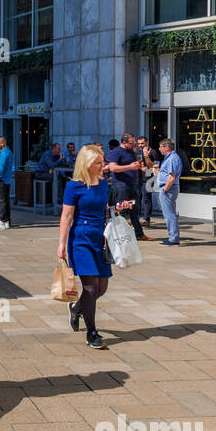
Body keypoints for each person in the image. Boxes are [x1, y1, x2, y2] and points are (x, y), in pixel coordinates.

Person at [58, 144, 136, 350]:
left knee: (101, 288)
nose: (104, 165)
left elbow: (106, 210)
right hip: (81, 238)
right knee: (90, 287)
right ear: (87, 164)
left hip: (100, 237)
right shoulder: (74, 186)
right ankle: (92, 332)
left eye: (103, 162)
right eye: (99, 162)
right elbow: (66, 216)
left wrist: (118, 207)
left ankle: (76, 309)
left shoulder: (103, 183)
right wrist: (61, 244)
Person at [105, 133, 150, 240]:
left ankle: (139, 234)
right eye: (131, 143)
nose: (134, 145)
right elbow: (113, 168)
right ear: (124, 142)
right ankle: (116, 236)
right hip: (121, 185)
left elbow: (134, 164)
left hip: (132, 185)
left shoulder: (131, 151)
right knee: (121, 211)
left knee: (135, 210)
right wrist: (130, 166)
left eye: (134, 142)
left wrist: (140, 167)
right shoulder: (116, 152)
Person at [156, 138, 183, 245]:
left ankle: (173, 238)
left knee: (169, 214)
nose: (159, 149)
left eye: (160, 147)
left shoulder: (172, 158)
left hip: (168, 188)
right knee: (169, 213)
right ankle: (173, 237)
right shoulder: (170, 158)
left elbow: (171, 177)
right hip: (169, 187)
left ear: (166, 148)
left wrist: (165, 190)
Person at [0, 135, 16, 229]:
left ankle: (2, 221)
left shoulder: (4, 152)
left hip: (1, 179)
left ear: (2, 143)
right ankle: (6, 220)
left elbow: (1, 167)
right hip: (5, 178)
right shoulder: (2, 152)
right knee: (5, 200)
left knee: (1, 201)